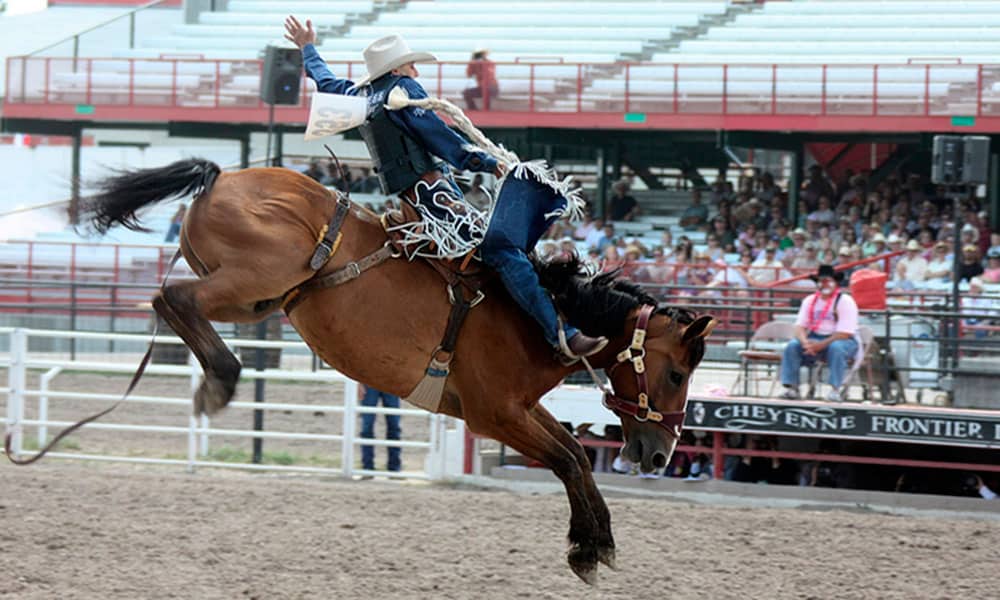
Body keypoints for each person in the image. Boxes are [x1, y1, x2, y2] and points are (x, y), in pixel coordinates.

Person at [284, 18, 606, 360]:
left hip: (409, 199)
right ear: (397, 70)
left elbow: (327, 82)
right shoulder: (403, 92)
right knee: (504, 252)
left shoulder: (363, 97)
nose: (416, 74)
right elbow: (439, 137)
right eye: (411, 65)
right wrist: (486, 162)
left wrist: (308, 47)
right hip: (436, 201)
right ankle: (561, 335)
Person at [780, 265, 860, 402]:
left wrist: (819, 345)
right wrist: (805, 343)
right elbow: (799, 327)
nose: (824, 285)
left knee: (837, 348)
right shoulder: (809, 300)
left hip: (841, 339)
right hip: (814, 336)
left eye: (828, 281)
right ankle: (792, 387)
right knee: (792, 346)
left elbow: (844, 333)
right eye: (821, 281)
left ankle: (835, 390)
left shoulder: (845, 301)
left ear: (835, 283)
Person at [359, 384, 401, 474]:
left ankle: (394, 468)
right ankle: (367, 468)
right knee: (367, 426)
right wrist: (359, 383)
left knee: (394, 425)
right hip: (369, 381)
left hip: (391, 381)